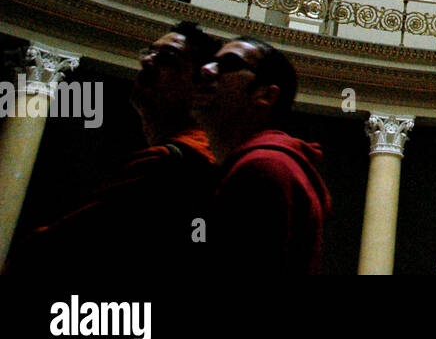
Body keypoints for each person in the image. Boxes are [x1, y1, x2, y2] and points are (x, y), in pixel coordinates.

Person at [3, 22, 220, 275]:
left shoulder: (164, 164)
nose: (148, 62)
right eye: (148, 52)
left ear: (200, 88)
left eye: (167, 58)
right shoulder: (204, 158)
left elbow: (54, 248)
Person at [194, 36, 331, 274]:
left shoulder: (263, 168)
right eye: (210, 62)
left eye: (229, 64)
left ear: (266, 95)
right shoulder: (264, 163)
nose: (205, 70)